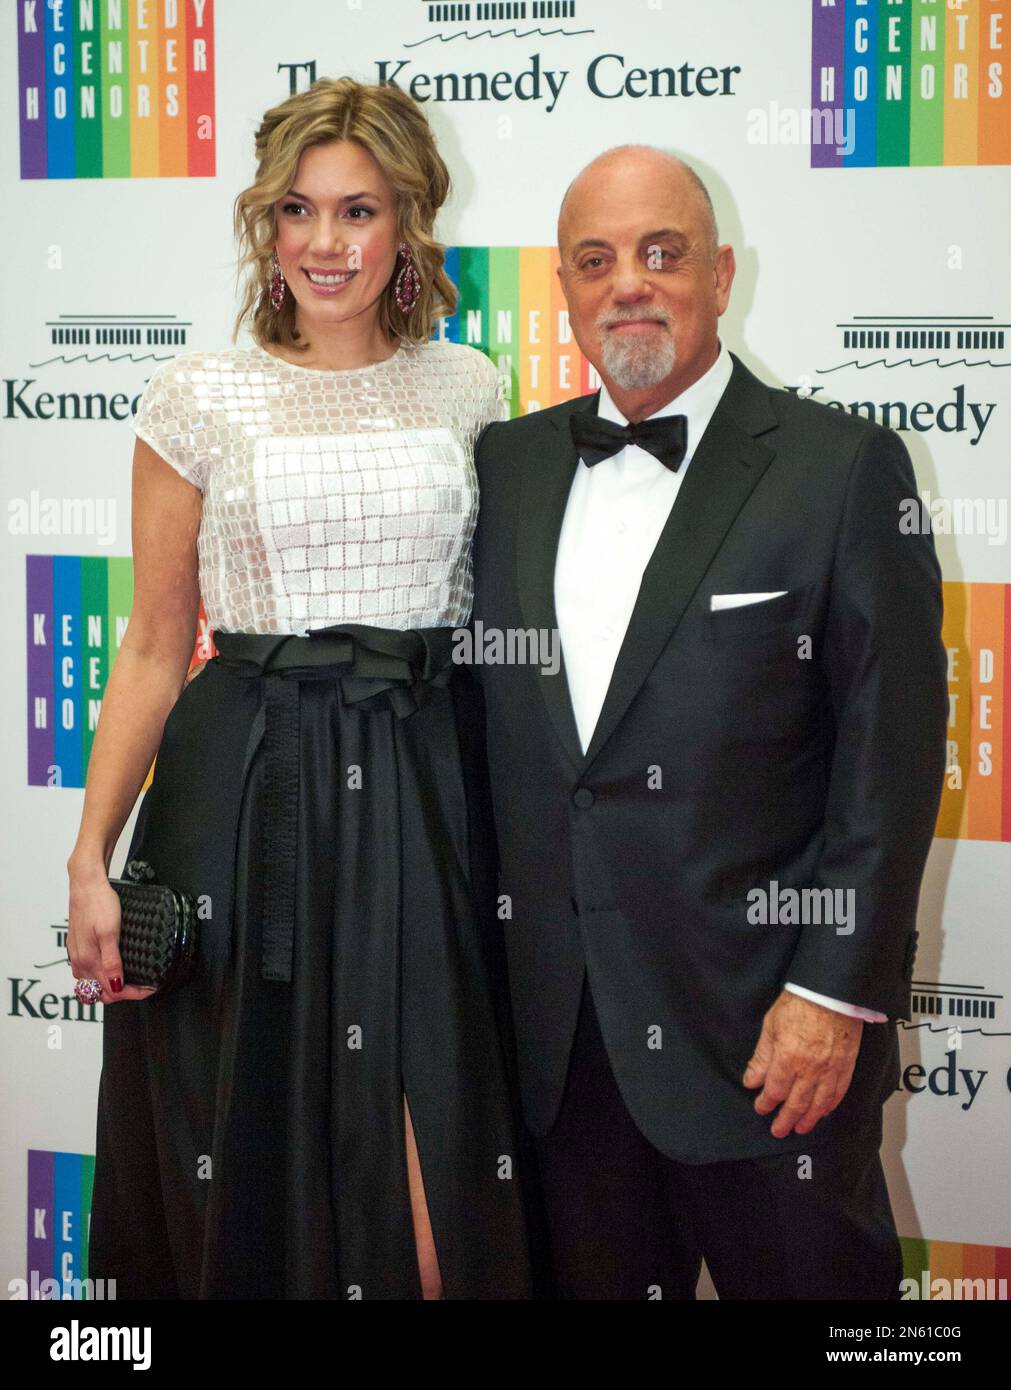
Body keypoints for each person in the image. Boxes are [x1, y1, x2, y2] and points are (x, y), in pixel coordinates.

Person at [67, 77, 540, 1300]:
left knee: (437, 1155)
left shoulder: (471, 385)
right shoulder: (195, 397)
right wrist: (88, 858)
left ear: (409, 228)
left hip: (425, 788)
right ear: (266, 228)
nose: (325, 243)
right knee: (248, 1148)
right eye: (298, 210)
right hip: (248, 794)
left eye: (358, 211)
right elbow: (156, 648)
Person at [471, 144, 948, 1300]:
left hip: (770, 1048)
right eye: (596, 259)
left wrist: (836, 995)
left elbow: (891, 755)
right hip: (564, 1060)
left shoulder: (840, 468)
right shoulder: (507, 466)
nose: (628, 281)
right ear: (565, 290)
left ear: (721, 273)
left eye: (661, 251)